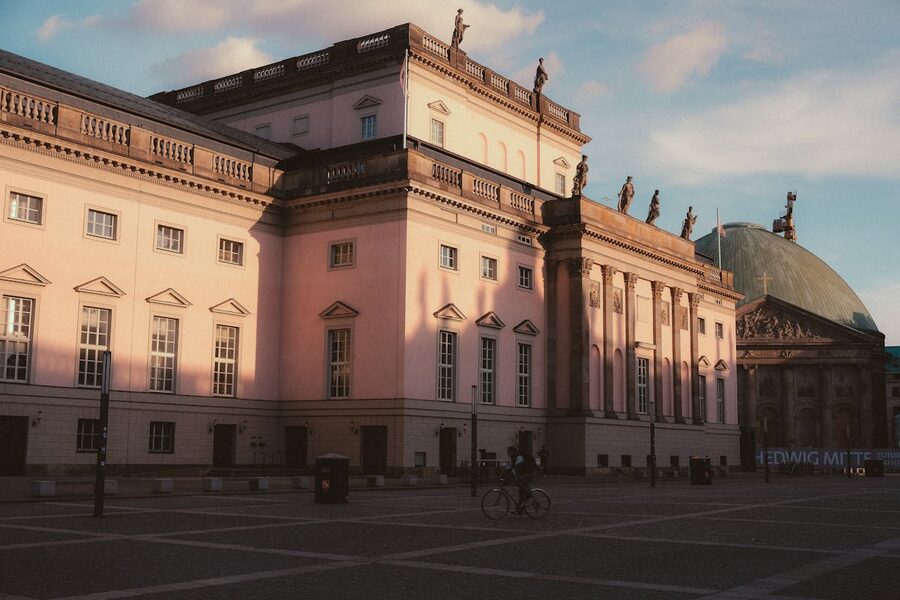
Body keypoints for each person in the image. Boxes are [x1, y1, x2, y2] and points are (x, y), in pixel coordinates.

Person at [504, 445, 534, 513]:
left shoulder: (519, 457)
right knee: (520, 493)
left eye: (508, 452)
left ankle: (528, 494)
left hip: (528, 472)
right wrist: (502, 475)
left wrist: (509, 475)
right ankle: (519, 510)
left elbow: (515, 467)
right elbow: (509, 467)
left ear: (512, 452)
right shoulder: (513, 457)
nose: (508, 454)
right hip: (523, 473)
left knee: (518, 480)